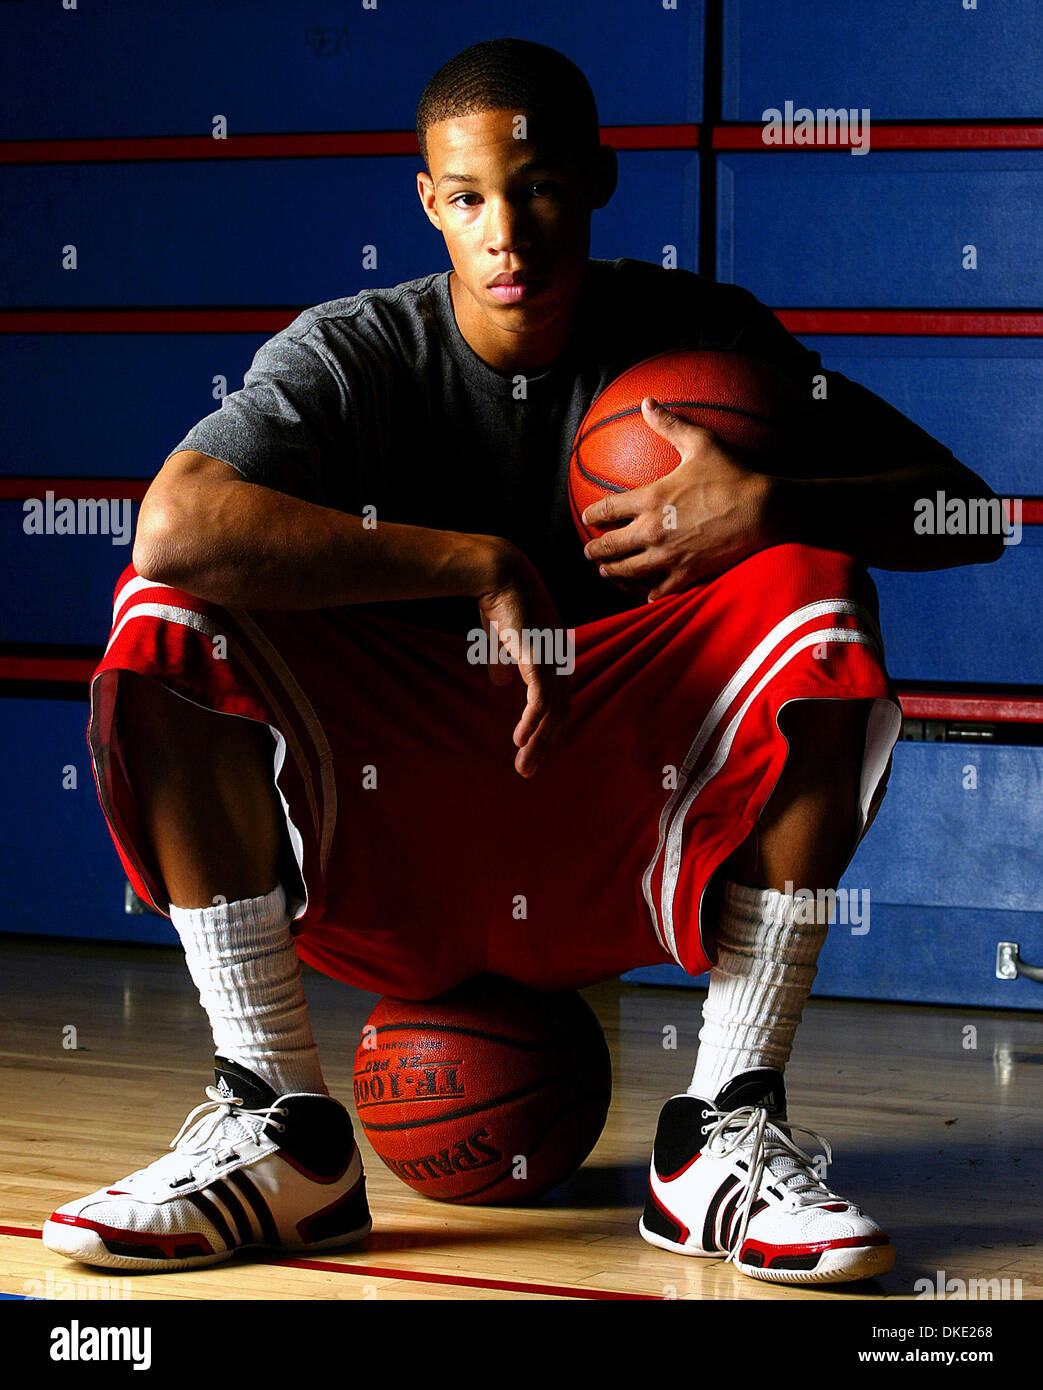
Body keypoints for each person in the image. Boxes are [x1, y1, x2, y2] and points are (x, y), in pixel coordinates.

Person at [43, 38, 1002, 1285]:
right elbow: (174, 523)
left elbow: (969, 515)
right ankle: (280, 1130)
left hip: (628, 811)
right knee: (167, 606)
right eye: (470, 197)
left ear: (600, 180)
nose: (508, 233)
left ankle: (719, 1127)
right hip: (390, 815)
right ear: (429, 200)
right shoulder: (356, 352)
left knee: (814, 583)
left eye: (541, 186)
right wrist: (473, 564)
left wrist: (770, 501)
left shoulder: (700, 340)